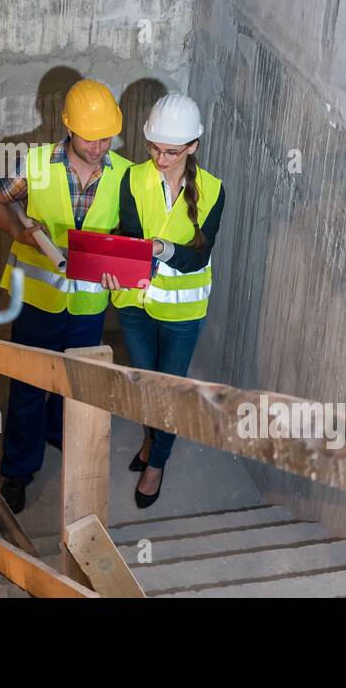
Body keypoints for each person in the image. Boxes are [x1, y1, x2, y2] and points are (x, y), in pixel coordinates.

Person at [0, 78, 133, 514]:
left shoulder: (125, 175)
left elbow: (130, 238)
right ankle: (17, 471)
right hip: (38, 301)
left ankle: (58, 434)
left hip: (88, 305)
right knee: (29, 385)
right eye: (89, 136)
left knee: (76, 384)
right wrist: (20, 234)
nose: (98, 146)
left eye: (106, 136)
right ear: (68, 126)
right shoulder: (34, 164)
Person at [100, 93, 225, 508]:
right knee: (145, 385)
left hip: (182, 313)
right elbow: (129, 234)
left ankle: (157, 462)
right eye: (154, 147)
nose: (160, 157)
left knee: (167, 392)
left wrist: (161, 250)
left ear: (193, 147)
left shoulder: (212, 191)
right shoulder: (131, 178)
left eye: (172, 151)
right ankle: (151, 442)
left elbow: (197, 256)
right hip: (135, 306)